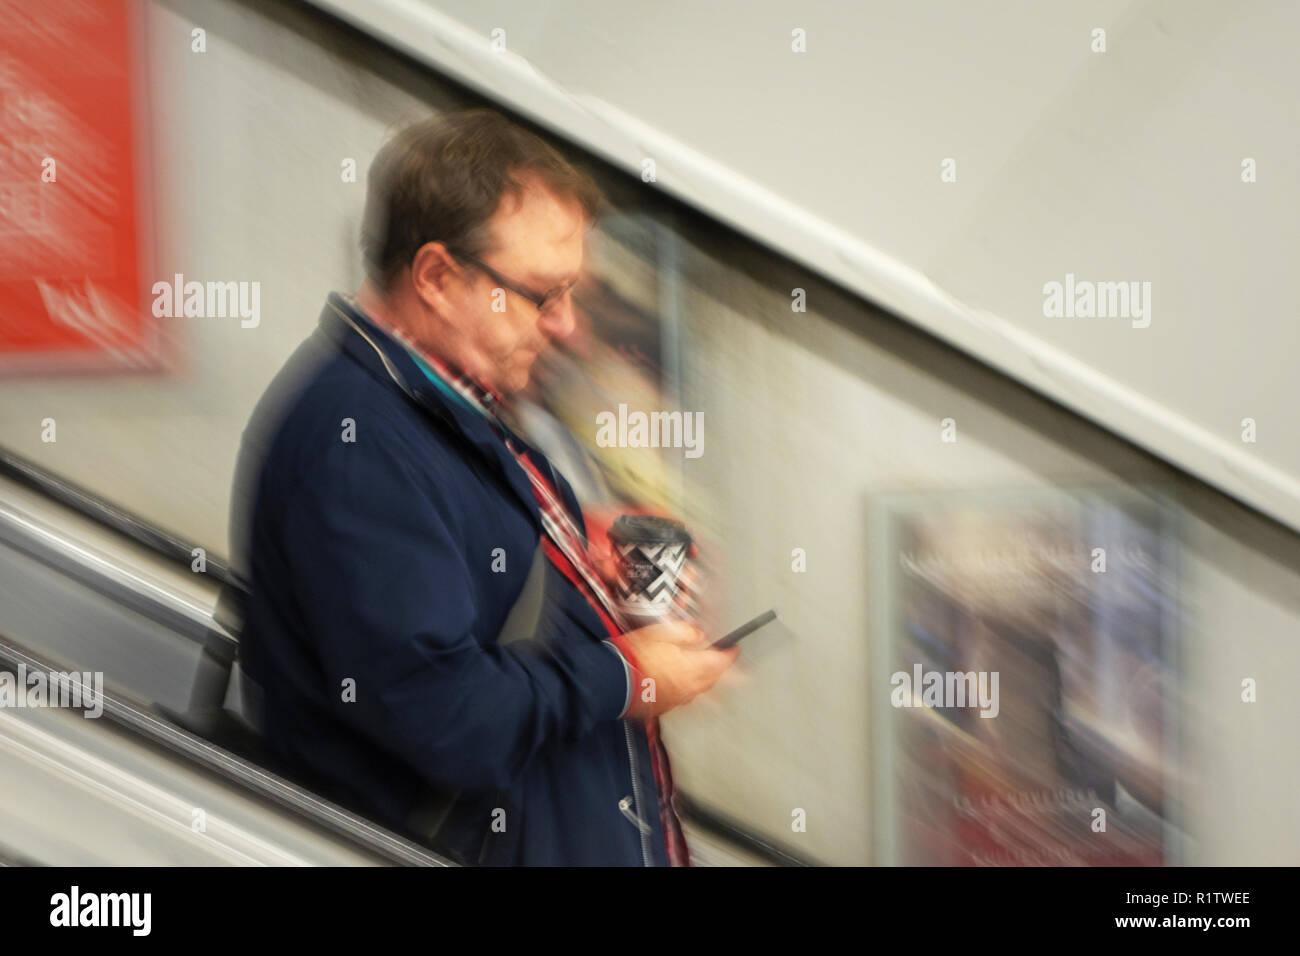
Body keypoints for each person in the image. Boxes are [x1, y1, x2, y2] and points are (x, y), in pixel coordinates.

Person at [229, 108, 738, 866]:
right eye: (542, 294)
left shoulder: (442, 403)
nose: (566, 326)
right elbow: (445, 716)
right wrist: (626, 677)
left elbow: (469, 589)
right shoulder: (358, 444)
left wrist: (573, 560)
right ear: (437, 277)